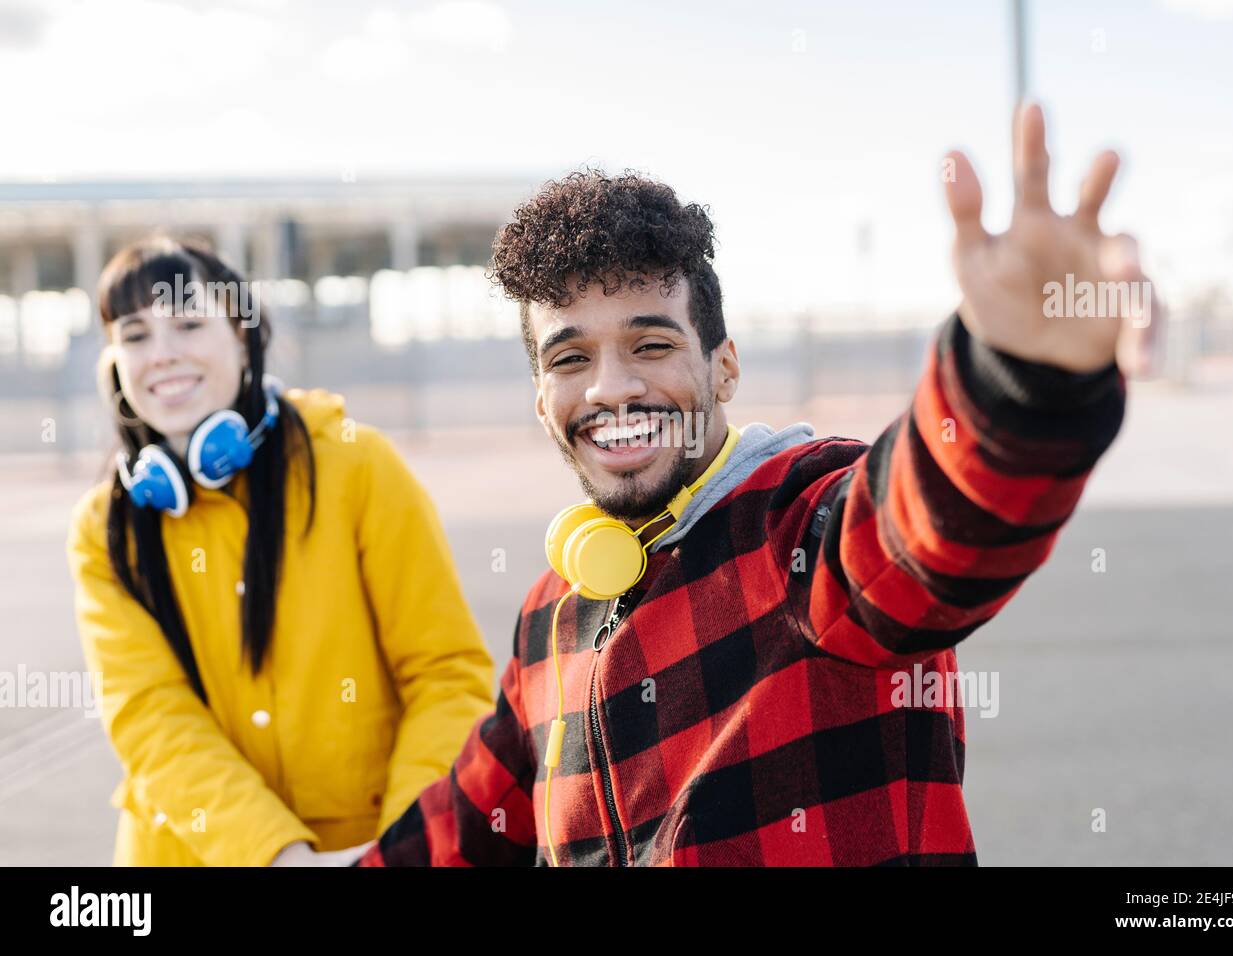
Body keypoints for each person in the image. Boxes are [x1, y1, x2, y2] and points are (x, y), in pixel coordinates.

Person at [358, 103, 1148, 866]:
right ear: (542, 402)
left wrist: (1021, 380)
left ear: (724, 367)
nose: (610, 388)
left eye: (651, 343)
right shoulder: (549, 615)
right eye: (570, 359)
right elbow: (461, 830)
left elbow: (926, 533)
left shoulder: (799, 528)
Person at [67, 236, 495, 866]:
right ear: (114, 367)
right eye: (134, 336)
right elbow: (149, 714)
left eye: (187, 323)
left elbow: (445, 676)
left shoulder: (357, 465)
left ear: (243, 336)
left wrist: (403, 848)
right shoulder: (105, 527)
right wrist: (276, 856)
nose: (161, 355)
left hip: (369, 848)